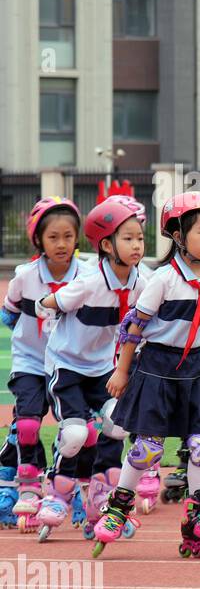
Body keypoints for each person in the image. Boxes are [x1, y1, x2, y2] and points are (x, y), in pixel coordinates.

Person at [91, 192, 200, 559]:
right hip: (156, 369)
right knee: (148, 448)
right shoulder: (163, 279)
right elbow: (133, 328)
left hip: (197, 369)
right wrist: (122, 371)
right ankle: (119, 506)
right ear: (179, 236)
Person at [34, 198, 148, 542]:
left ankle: (101, 492)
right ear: (107, 245)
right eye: (127, 239)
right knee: (75, 435)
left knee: (117, 425)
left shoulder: (144, 282)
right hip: (66, 366)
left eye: (140, 238)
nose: (136, 246)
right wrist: (45, 306)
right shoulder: (88, 282)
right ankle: (56, 492)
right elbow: (46, 305)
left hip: (103, 369)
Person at [1, 198, 90, 531]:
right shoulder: (25, 276)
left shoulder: (88, 275)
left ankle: (78, 486)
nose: (62, 244)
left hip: (72, 365)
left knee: (81, 430)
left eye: (68, 236)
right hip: (31, 362)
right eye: (53, 237)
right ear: (38, 239)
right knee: (26, 425)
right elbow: (9, 314)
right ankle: (26, 484)